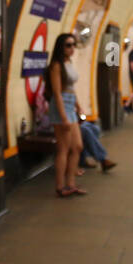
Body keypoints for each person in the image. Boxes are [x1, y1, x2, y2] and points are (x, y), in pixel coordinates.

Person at [46, 33, 86, 197]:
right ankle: (60, 186)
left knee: (77, 147)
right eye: (68, 45)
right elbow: (57, 92)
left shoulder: (69, 63)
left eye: (73, 45)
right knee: (63, 148)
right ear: (60, 47)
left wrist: (78, 106)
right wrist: (63, 117)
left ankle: (71, 183)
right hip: (60, 106)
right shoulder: (56, 65)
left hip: (70, 105)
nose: (72, 48)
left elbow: (71, 88)